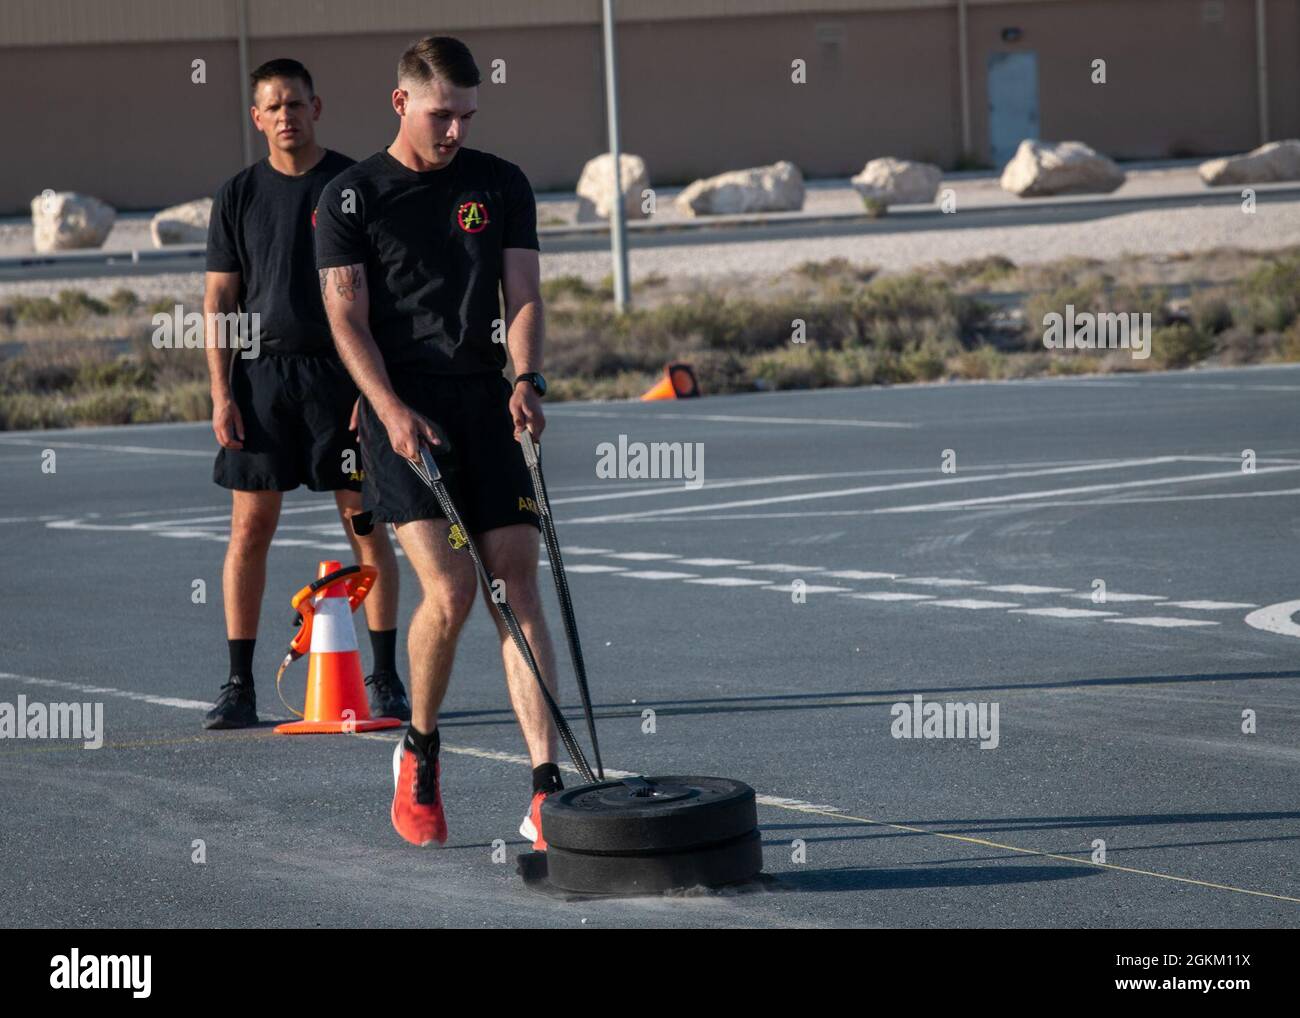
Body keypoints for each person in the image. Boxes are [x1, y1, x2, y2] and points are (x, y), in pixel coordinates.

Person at [314, 35, 560, 849]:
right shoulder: (352, 198)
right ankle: (419, 749)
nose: (454, 128)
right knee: (452, 592)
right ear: (401, 103)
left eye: (466, 114)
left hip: (484, 403)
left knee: (517, 589)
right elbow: (345, 319)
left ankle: (544, 789)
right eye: (440, 113)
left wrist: (526, 379)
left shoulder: (500, 182)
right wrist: (385, 408)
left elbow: (521, 292)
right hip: (401, 412)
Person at [203, 58, 409, 730]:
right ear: (257, 117)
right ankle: (238, 686)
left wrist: (373, 388)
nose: (286, 116)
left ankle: (384, 678)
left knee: (366, 527)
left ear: (316, 108)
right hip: (261, 381)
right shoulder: (237, 194)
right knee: (249, 530)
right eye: (273, 106)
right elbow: (219, 300)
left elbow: (384, 297)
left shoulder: (350, 186)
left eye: (297, 103)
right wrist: (221, 392)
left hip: (340, 379)